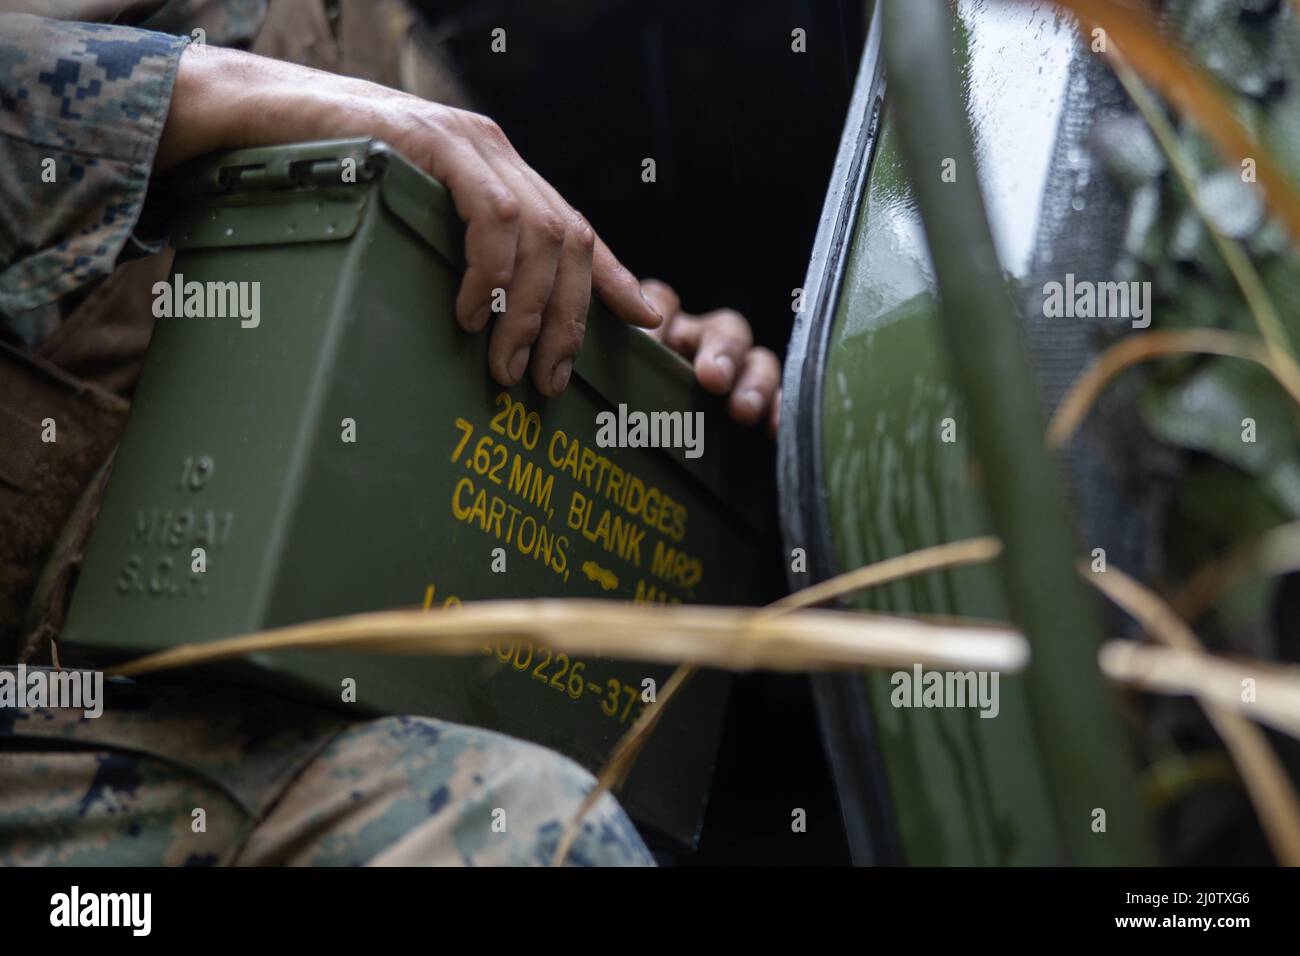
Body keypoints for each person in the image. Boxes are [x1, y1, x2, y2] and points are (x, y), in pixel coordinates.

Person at [0, 2, 779, 866]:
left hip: (252, 715)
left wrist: (630, 370)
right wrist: (212, 95)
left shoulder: (373, 40)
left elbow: (475, 342)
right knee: (525, 828)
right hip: (60, 725)